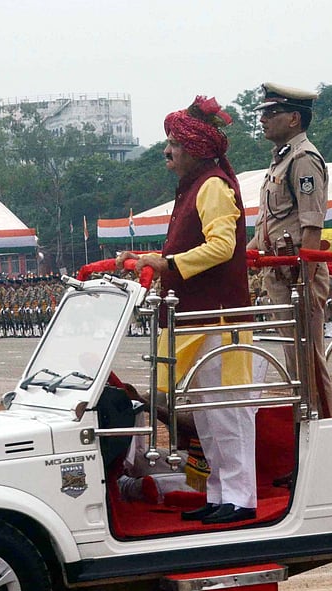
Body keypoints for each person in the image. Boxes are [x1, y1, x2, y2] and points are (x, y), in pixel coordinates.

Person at [116, 95, 258, 525]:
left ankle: (240, 496)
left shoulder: (213, 186)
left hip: (218, 319)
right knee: (207, 416)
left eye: (174, 144)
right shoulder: (195, 187)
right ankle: (219, 492)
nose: (166, 152)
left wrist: (168, 264)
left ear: (194, 148)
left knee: (226, 412)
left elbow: (222, 246)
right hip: (197, 318)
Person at [247, 82, 332, 418]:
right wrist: (242, 258)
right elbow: (270, 226)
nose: (264, 119)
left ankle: (323, 430)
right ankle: (306, 428)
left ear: (294, 118)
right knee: (295, 364)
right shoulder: (281, 161)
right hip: (280, 274)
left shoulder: (304, 159)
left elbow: (312, 228)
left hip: (298, 275)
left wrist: (306, 283)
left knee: (308, 362)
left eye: (272, 112)